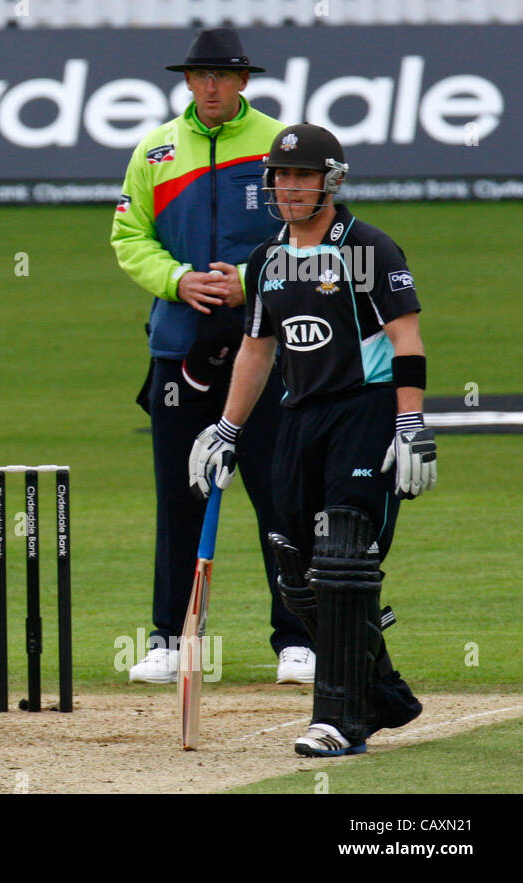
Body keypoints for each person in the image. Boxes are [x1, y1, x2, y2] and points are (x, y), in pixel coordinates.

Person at [189, 123, 429, 756]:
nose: (290, 187)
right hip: (298, 419)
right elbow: (256, 348)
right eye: (281, 176)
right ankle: (385, 694)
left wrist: (410, 424)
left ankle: (341, 720)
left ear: (332, 181)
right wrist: (227, 429)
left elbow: (407, 340)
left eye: (303, 176)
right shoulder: (266, 259)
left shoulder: (371, 249)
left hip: (366, 411)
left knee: (344, 556)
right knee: (296, 569)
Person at [111, 27, 314, 685]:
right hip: (180, 347)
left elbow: (318, 233)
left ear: (244, 81)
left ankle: (298, 638)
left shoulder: (283, 146)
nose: (211, 87)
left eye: (223, 77)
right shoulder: (157, 149)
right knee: (181, 494)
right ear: (188, 82)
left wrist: (250, 280)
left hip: (266, 347)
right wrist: (178, 280)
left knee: (282, 491)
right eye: (201, 77)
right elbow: (128, 234)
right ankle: (172, 639)